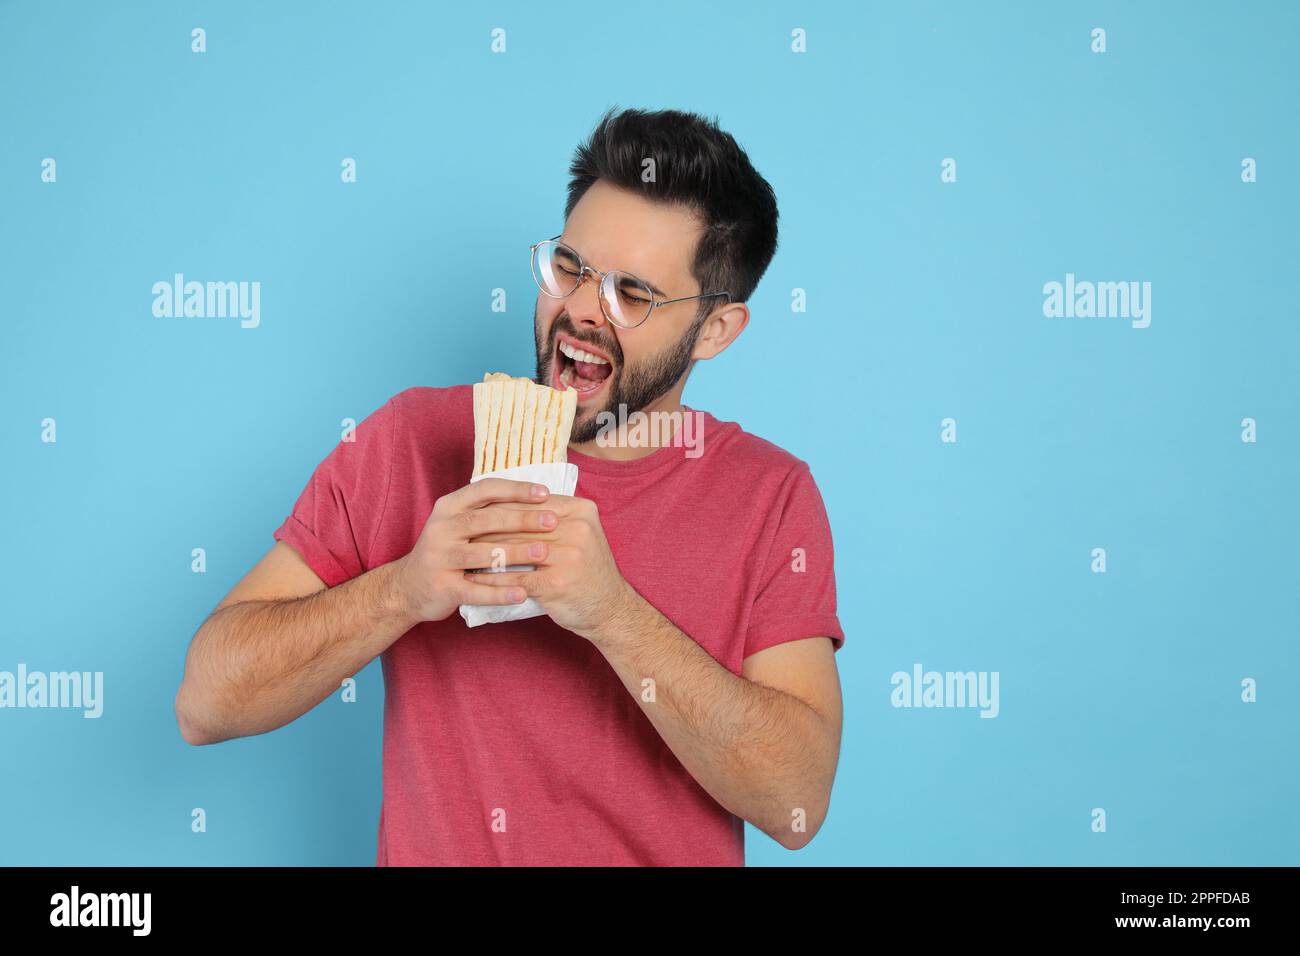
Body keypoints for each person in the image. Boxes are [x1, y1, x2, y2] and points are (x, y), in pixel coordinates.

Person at [175, 107, 846, 866]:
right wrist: (404, 589)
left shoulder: (770, 495)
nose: (582, 311)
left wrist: (612, 613)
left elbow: (797, 803)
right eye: (570, 267)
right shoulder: (412, 441)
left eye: (634, 294)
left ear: (716, 330)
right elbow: (204, 703)